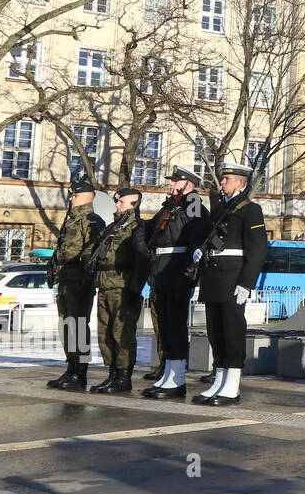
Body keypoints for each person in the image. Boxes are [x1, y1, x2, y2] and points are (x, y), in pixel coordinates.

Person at [189, 161, 267, 406]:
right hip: (214, 277)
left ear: (240, 183)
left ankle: (232, 385)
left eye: (227, 179)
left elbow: (257, 249)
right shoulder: (221, 207)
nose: (222, 182)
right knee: (216, 333)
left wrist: (246, 283)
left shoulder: (250, 209)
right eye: (223, 179)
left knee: (232, 332)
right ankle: (219, 381)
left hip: (233, 279)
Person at [141, 166, 211, 401]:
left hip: (176, 269)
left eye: (176, 182)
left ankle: (177, 378)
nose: (171, 185)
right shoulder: (171, 206)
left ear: (189, 185)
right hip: (161, 268)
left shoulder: (192, 203)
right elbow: (152, 230)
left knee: (176, 326)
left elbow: (196, 234)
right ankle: (169, 374)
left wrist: (188, 270)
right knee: (166, 326)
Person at [88, 187, 149, 394]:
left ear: (134, 203)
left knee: (121, 333)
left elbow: (142, 260)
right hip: (105, 286)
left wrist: (135, 289)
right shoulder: (114, 226)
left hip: (123, 287)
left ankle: (124, 377)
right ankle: (112, 374)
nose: (117, 204)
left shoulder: (136, 227)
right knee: (105, 333)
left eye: (121, 201)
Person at [46, 178, 106, 391]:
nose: (72, 198)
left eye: (76, 195)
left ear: (88, 198)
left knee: (79, 326)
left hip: (79, 281)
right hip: (66, 280)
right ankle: (71, 367)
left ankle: (80, 372)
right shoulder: (71, 220)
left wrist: (84, 277)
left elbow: (93, 251)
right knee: (67, 325)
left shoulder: (92, 221)